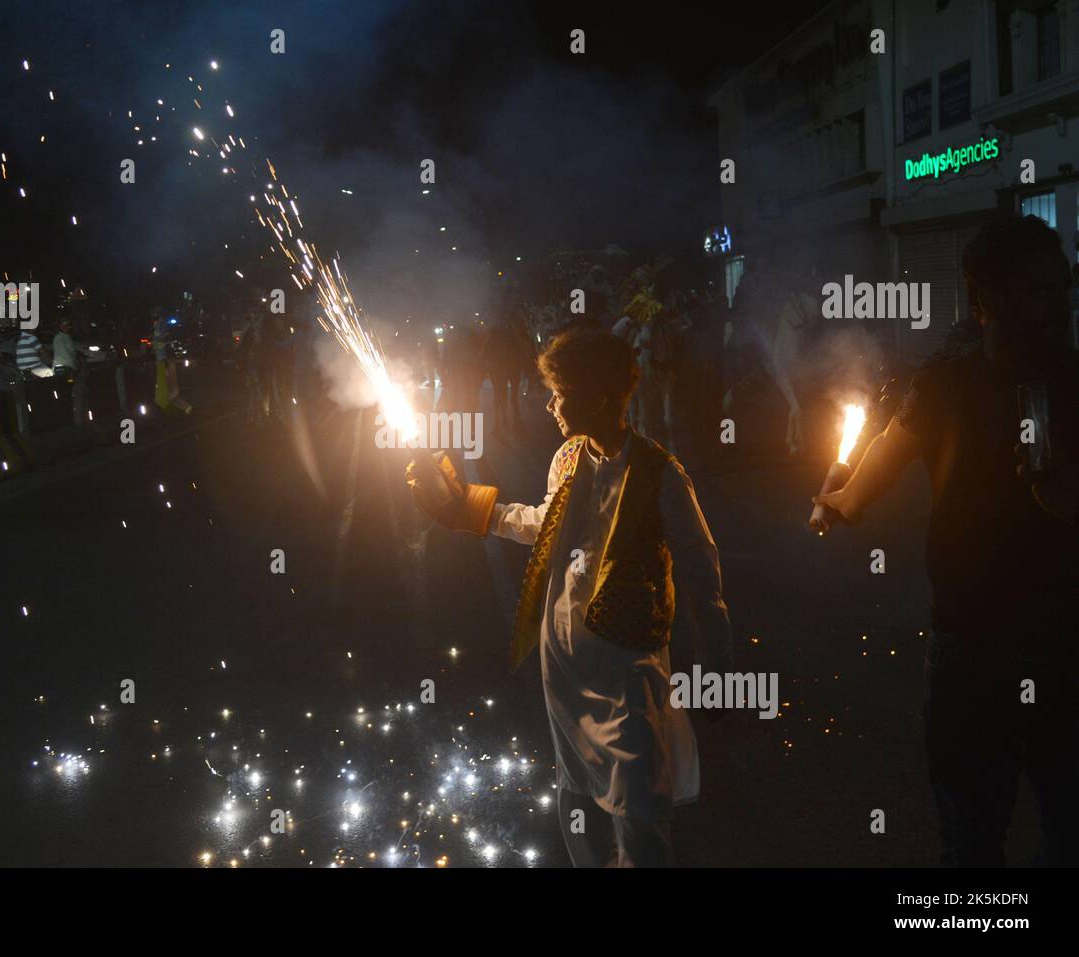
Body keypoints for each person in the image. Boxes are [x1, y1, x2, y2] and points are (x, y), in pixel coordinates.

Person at [407, 326, 733, 867]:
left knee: (640, 812)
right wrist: (468, 507)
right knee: (577, 798)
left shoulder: (661, 475)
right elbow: (545, 525)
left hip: (628, 673)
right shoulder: (568, 458)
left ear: (598, 398)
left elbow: (703, 572)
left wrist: (720, 663)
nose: (549, 403)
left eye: (560, 393)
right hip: (565, 668)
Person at [812, 216, 1078, 866]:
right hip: (971, 651)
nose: (1058, 303)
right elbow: (885, 448)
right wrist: (843, 498)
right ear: (985, 302)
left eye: (1061, 286)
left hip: (1068, 646)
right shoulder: (944, 382)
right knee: (971, 842)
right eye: (1037, 291)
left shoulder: (1074, 378)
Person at [52, 318, 88, 426]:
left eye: (68, 325)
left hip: (57, 367)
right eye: (66, 325)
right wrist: (77, 362)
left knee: (61, 392)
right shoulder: (67, 338)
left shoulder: (56, 338)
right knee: (70, 392)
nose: (68, 327)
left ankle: (62, 418)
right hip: (67, 368)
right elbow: (71, 352)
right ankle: (72, 419)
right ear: (61, 327)